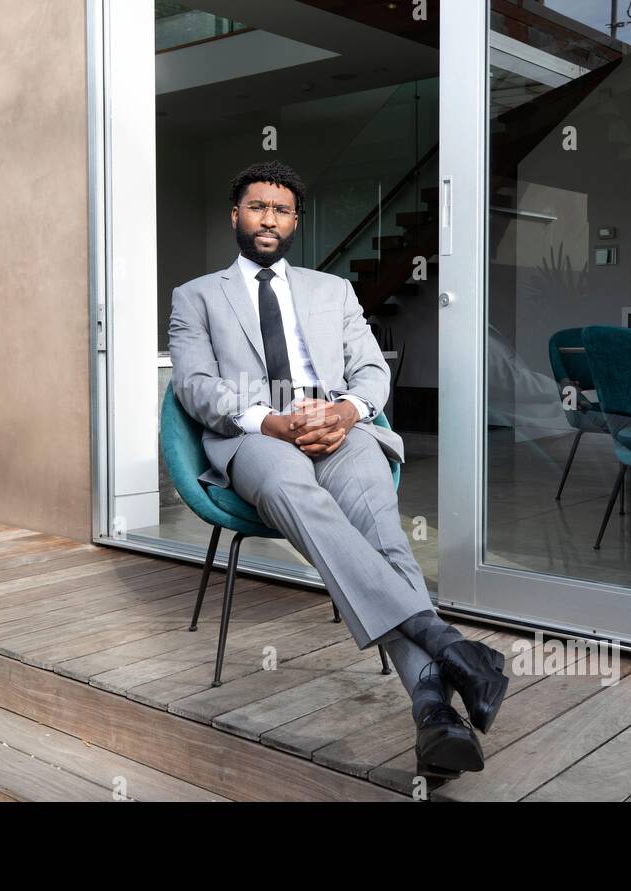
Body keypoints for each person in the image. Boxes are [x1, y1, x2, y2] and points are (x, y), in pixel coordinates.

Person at [168, 160, 508, 780]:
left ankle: (434, 712)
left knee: (381, 530)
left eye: (281, 210)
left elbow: (373, 372)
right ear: (235, 216)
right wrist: (270, 422)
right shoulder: (196, 296)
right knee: (294, 489)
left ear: (296, 221)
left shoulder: (333, 291)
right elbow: (193, 385)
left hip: (338, 427)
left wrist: (347, 414)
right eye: (257, 207)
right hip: (256, 435)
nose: (268, 218)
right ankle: (444, 643)